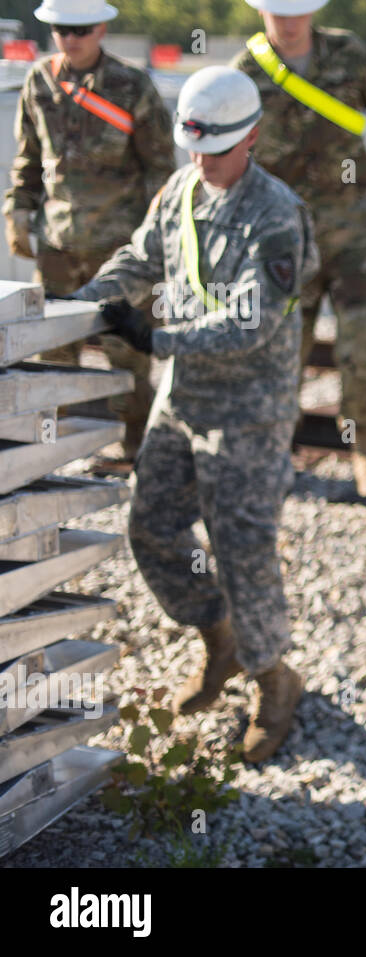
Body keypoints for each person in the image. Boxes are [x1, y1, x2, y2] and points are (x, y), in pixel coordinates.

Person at [69, 66, 318, 763]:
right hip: (184, 400)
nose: (201, 161)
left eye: (216, 150)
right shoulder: (182, 188)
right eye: (194, 148)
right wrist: (85, 303)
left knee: (243, 550)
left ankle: (274, 679)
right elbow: (143, 256)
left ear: (253, 139)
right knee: (150, 527)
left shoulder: (277, 214)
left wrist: (153, 337)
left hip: (248, 411)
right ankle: (221, 643)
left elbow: (253, 321)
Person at [231, 0, 366, 499]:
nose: (288, 22)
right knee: (282, 349)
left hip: (352, 232)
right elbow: (226, 155)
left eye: (297, 11)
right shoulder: (244, 74)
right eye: (277, 12)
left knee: (362, 341)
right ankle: (274, 456)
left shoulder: (348, 56)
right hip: (282, 240)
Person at [4, 0, 176, 461]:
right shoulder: (39, 81)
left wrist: (156, 242)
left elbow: (161, 170)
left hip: (120, 249)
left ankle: (134, 448)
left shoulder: (132, 86)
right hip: (58, 245)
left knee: (127, 355)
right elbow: (28, 161)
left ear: (101, 28)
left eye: (80, 29)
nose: (71, 39)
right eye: (61, 28)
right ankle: (45, 452)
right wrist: (17, 213)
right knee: (52, 356)